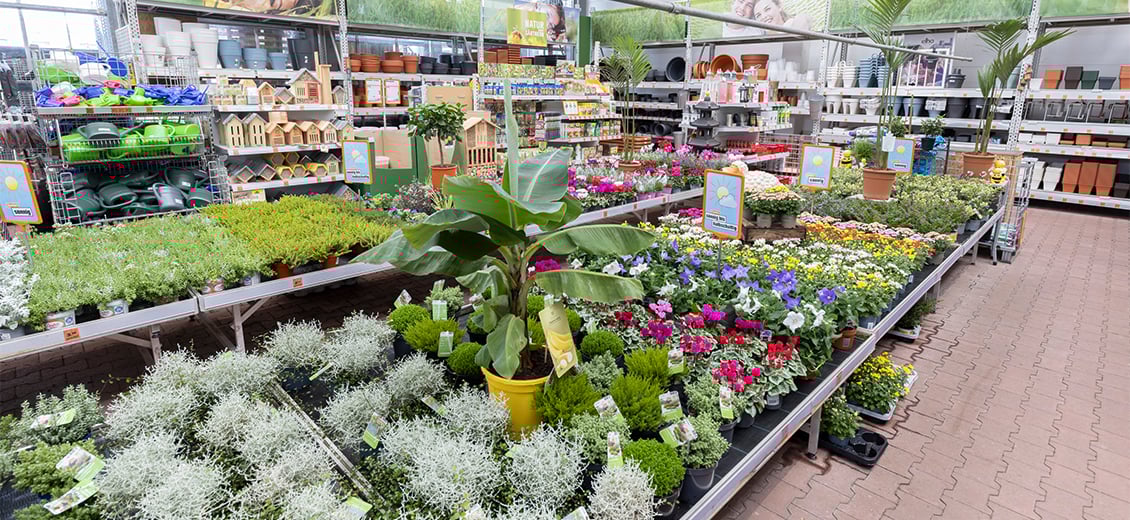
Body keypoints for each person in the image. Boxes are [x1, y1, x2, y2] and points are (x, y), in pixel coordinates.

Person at [725, 0, 812, 37]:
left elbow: (804, 19)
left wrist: (803, 19)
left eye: (767, 9)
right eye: (758, 15)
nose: (763, 17)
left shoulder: (793, 24)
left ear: (779, 6)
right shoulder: (761, 33)